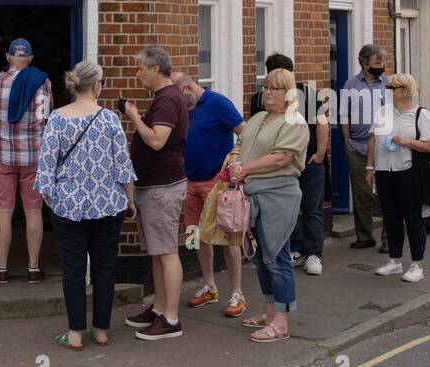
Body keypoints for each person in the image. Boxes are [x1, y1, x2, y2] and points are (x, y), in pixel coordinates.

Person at [35, 60, 137, 350]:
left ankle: (76, 333)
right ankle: (102, 330)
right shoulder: (110, 120)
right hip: (108, 205)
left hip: (68, 207)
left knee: (73, 270)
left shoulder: (56, 118)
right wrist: (130, 198)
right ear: (96, 86)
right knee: (105, 268)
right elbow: (123, 167)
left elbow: (45, 168)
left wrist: (53, 200)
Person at [228, 68, 308, 342]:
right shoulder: (259, 117)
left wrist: (245, 168)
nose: (269, 92)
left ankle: (282, 323)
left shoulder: (294, 121)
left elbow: (281, 158)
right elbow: (240, 141)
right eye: (267, 87)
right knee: (261, 257)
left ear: (289, 94)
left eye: (276, 88)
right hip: (254, 193)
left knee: (277, 256)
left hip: (279, 194)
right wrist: (234, 160)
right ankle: (269, 311)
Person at [122, 46, 189, 340]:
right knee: (157, 252)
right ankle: (160, 309)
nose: (138, 74)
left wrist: (134, 117)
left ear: (156, 69)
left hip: (163, 187)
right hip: (156, 185)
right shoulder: (167, 97)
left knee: (167, 252)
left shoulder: (166, 100)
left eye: (141, 69)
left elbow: (158, 141)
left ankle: (171, 318)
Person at [251, 53, 329, 276]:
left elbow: (322, 122)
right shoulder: (262, 99)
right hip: (288, 165)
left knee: (305, 208)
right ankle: (303, 251)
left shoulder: (306, 93)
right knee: (298, 210)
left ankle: (307, 251)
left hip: (303, 161)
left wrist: (320, 153)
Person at [175, 74, 246, 316]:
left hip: (216, 183)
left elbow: (245, 134)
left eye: (179, 98)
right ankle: (210, 286)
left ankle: (237, 293)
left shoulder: (218, 103)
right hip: (190, 182)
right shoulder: (186, 107)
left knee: (228, 237)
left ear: (188, 88)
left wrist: (233, 160)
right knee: (196, 235)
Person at [0, 37, 52, 282]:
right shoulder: (42, 82)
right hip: (33, 156)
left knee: (4, 212)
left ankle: (2, 268)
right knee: (34, 211)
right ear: (31, 58)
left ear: (8, 57)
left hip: (2, 156)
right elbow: (45, 117)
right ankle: (34, 268)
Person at [366, 73, 430, 282]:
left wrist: (406, 141)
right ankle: (394, 261)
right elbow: (373, 140)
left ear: (405, 91)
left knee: (412, 217)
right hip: (384, 171)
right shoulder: (382, 113)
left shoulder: (421, 115)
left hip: (408, 171)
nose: (388, 91)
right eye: (388, 88)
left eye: (392, 88)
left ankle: (417, 265)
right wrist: (370, 168)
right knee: (391, 217)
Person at [341, 43, 388, 250]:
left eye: (382, 62)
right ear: (364, 63)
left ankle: (389, 239)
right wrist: (347, 142)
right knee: (361, 194)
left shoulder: (387, 83)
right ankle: (364, 236)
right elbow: (344, 115)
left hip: (384, 147)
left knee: (388, 193)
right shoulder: (351, 84)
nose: (381, 65)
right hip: (358, 147)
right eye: (377, 62)